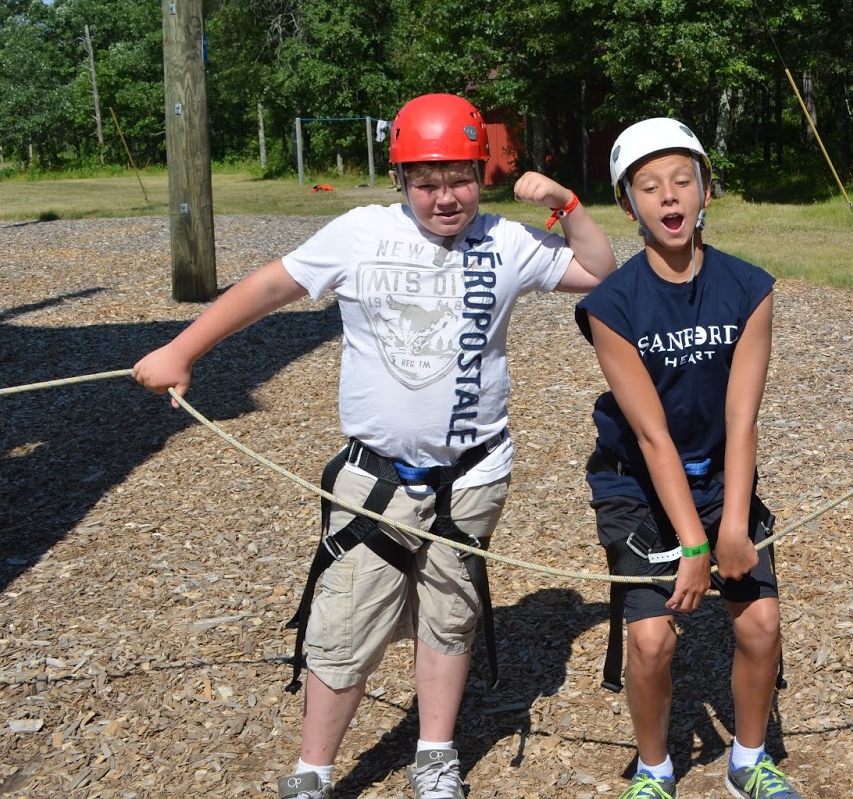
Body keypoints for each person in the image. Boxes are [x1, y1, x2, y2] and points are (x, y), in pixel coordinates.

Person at [132, 92, 616, 799]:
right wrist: (182, 348)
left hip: (473, 474)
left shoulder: (507, 242)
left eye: (459, 178)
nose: (445, 197)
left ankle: (435, 753)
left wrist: (567, 203)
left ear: (481, 172)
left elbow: (601, 273)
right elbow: (271, 284)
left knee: (451, 613)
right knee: (346, 618)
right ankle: (314, 767)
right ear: (400, 180)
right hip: (376, 478)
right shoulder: (359, 234)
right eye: (426, 181)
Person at [575, 117, 798, 799]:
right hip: (636, 488)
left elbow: (742, 416)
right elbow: (651, 438)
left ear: (706, 190)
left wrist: (731, 524)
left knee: (761, 624)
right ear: (628, 203)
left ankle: (749, 759)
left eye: (682, 180)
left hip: (721, 479)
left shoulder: (749, 288)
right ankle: (654, 769)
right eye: (650, 186)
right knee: (652, 643)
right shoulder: (611, 305)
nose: (669, 197)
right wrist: (693, 543)